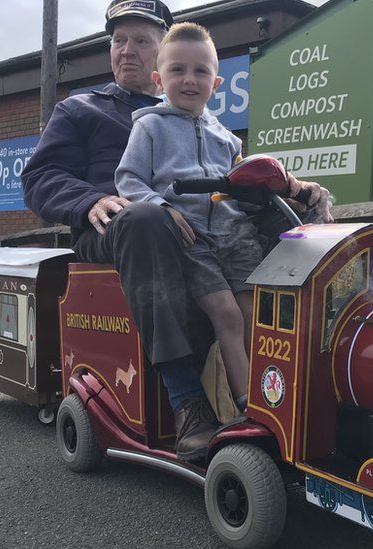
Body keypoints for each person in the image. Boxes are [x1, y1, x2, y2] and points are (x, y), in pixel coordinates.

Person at [21, 0, 330, 463]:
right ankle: (187, 401)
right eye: (118, 40)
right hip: (115, 226)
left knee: (276, 224)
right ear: (162, 73)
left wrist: (294, 189)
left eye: (141, 41)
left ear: (160, 52)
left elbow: (235, 174)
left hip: (199, 231)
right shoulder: (82, 109)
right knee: (146, 219)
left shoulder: (205, 121)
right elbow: (39, 178)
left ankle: (300, 369)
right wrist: (91, 201)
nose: (127, 50)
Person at [115, 22, 255, 412]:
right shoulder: (149, 126)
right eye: (178, 70)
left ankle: (268, 391)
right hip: (193, 241)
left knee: (253, 310)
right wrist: (163, 208)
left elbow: (244, 184)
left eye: (201, 71)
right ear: (159, 79)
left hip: (235, 235)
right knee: (226, 314)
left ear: (217, 82)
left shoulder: (227, 138)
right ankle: (248, 404)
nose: (189, 80)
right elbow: (129, 179)